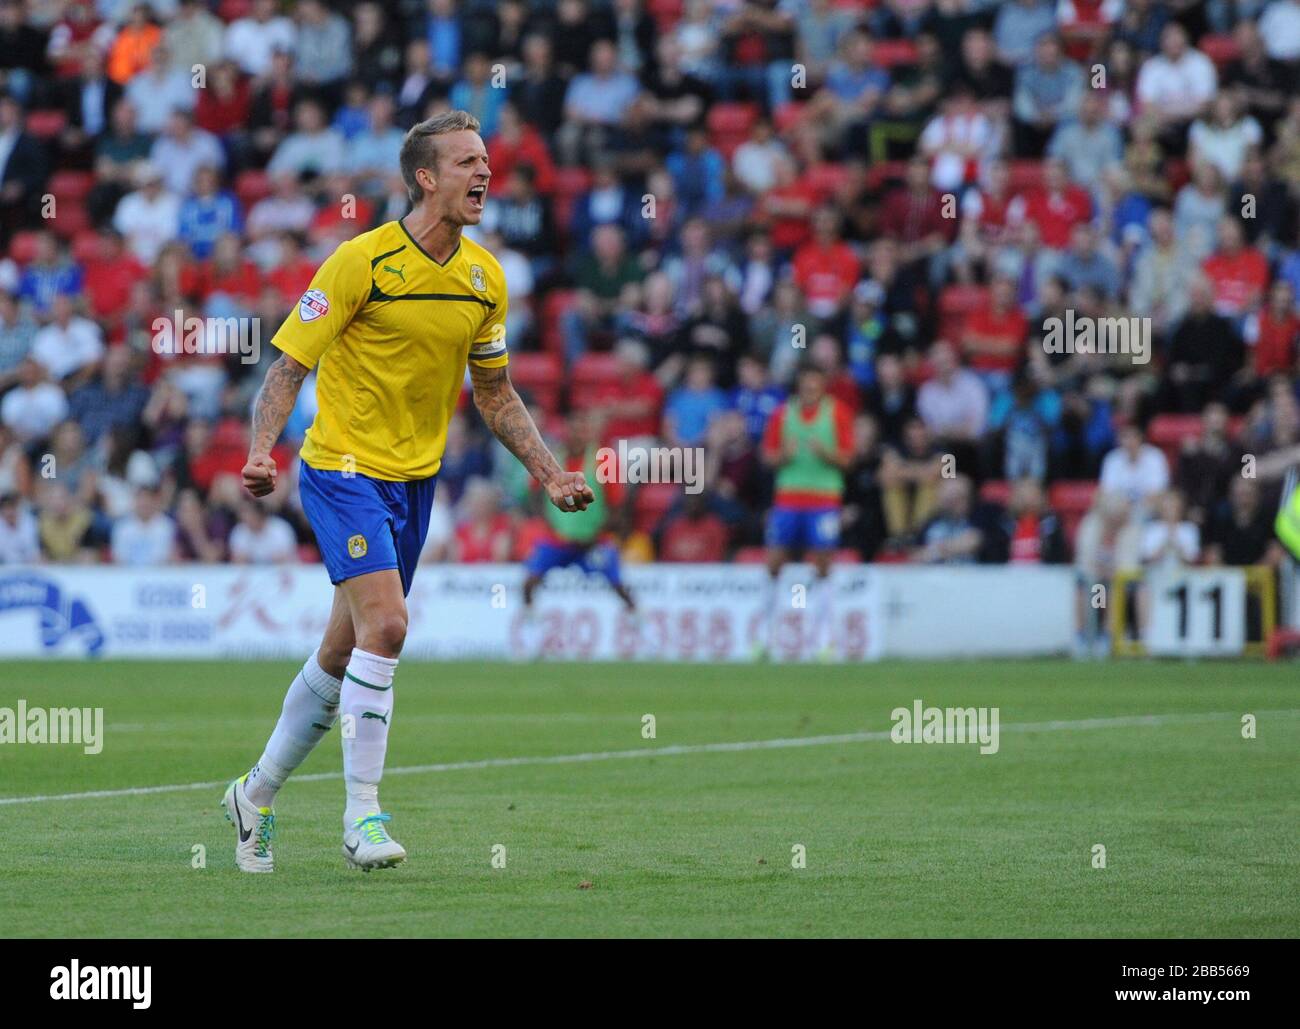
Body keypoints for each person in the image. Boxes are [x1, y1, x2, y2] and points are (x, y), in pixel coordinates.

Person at [226, 111, 594, 875]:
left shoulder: (484, 278)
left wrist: (550, 471)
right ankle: (362, 814)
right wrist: (262, 450)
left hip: (413, 483)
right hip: (342, 469)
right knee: (388, 627)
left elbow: (494, 393)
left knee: (342, 649)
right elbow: (289, 365)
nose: (485, 174)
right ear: (426, 177)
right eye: (467, 162)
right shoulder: (360, 263)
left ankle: (254, 795)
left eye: (487, 161)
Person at [520, 410, 638, 649]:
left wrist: (596, 534)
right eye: (574, 429)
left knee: (617, 584)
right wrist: (547, 520)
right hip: (558, 538)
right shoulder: (552, 457)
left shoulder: (604, 460)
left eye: (583, 430)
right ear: (566, 431)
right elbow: (533, 493)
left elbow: (617, 505)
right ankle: (529, 630)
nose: (578, 435)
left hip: (595, 539)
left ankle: (639, 623)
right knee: (530, 581)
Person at [759, 363, 853, 660]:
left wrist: (827, 454)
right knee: (774, 561)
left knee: (823, 564)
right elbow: (767, 456)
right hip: (788, 496)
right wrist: (782, 457)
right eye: (805, 385)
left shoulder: (837, 413)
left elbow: (849, 459)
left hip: (824, 497)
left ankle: (825, 638)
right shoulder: (783, 414)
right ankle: (765, 636)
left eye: (815, 385)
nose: (810, 390)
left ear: (823, 386)